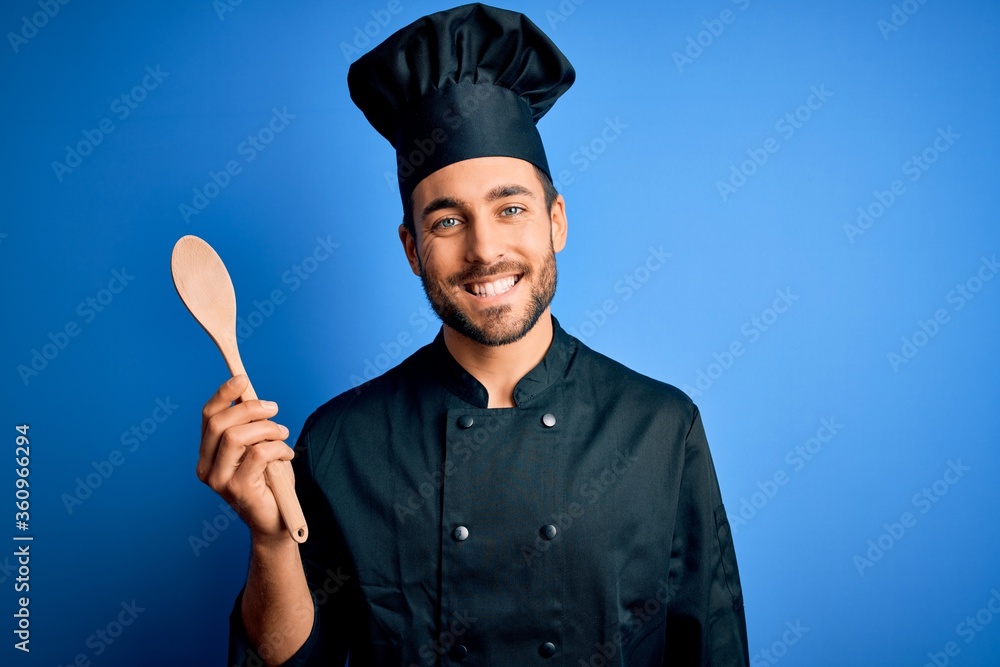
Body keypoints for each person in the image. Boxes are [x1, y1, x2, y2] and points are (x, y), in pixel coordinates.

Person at [198, 4, 750, 665]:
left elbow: (714, 649)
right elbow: (290, 660)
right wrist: (269, 541)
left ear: (557, 221)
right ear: (411, 248)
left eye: (510, 208)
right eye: (447, 221)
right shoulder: (340, 442)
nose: (485, 250)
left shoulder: (661, 429)